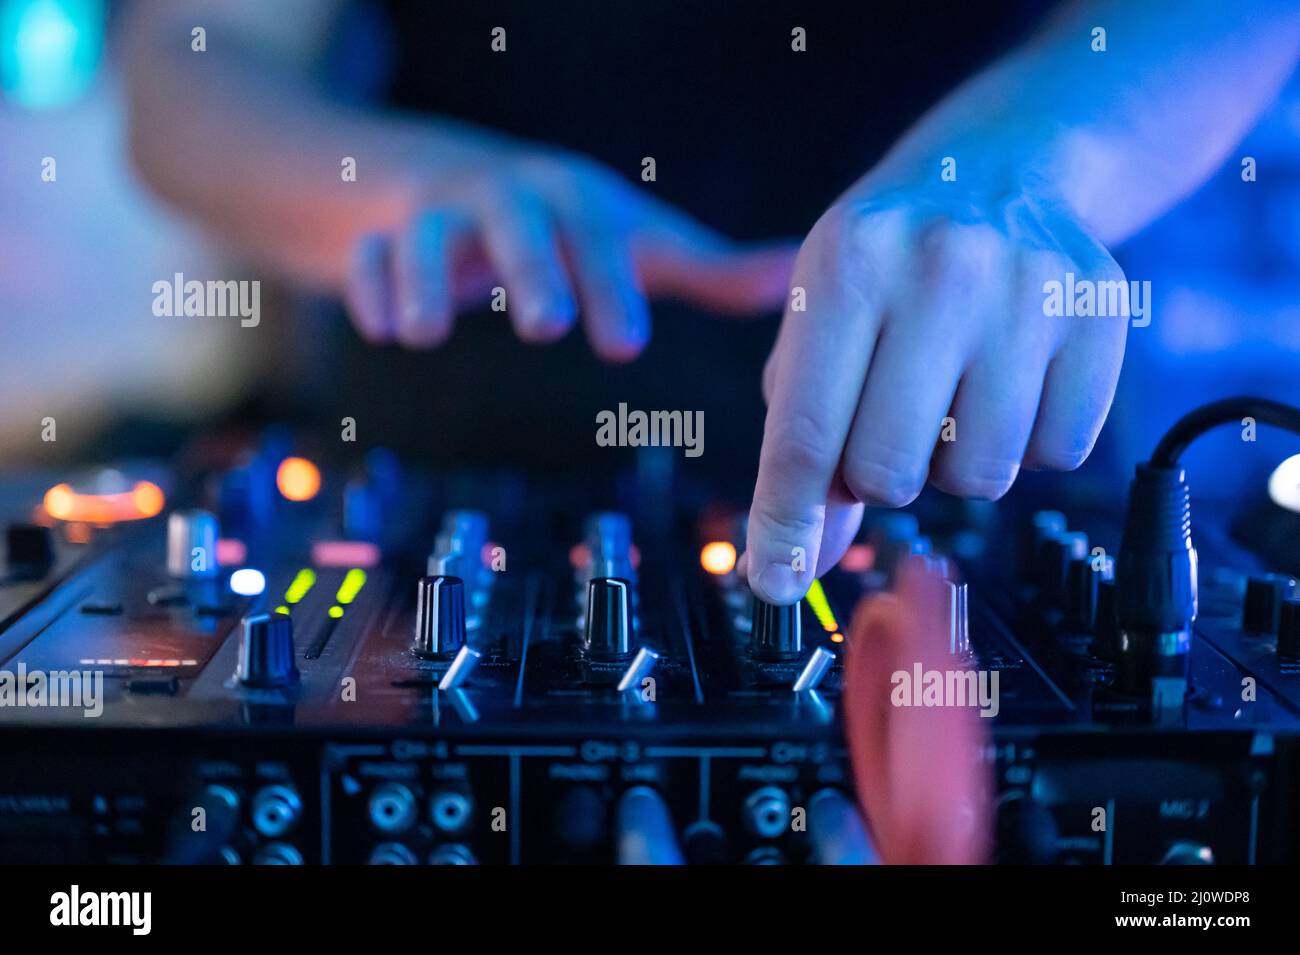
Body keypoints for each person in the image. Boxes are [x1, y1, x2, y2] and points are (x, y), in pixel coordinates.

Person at [122, 0, 1300, 606]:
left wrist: (1021, 168)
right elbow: (191, 48)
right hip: (459, 448)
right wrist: (401, 183)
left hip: (988, 450)